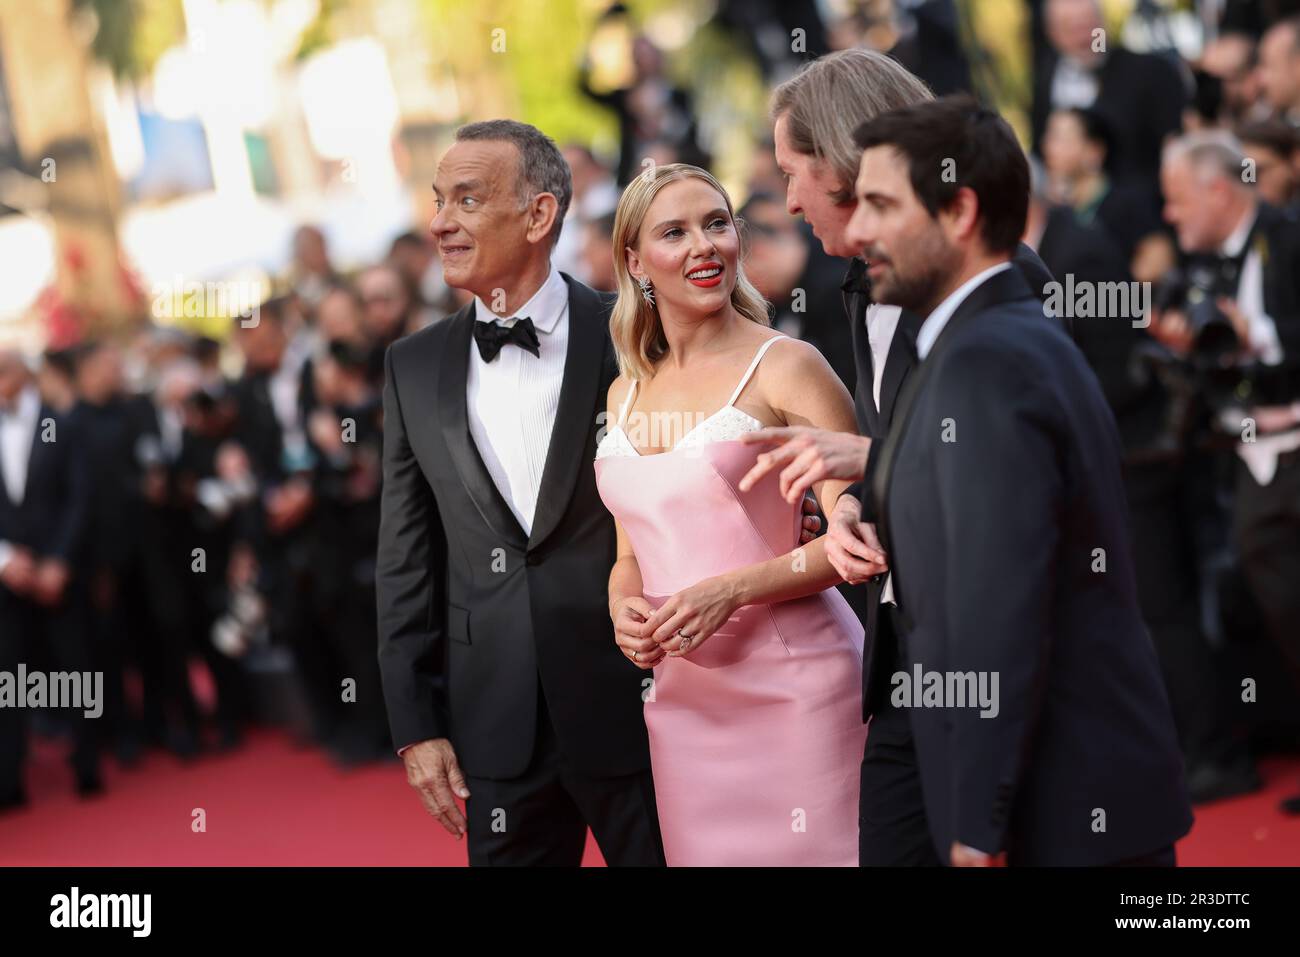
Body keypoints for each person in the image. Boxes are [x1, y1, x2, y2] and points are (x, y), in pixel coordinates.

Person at [850, 95, 1192, 865]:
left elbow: (995, 608)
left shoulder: (986, 362)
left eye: (879, 203)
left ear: (960, 210)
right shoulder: (997, 337)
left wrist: (979, 822)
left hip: (1055, 812)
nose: (859, 229)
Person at [760, 47, 1053, 865]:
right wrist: (855, 502)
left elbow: (1011, 476)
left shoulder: (1004, 284)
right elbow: (893, 457)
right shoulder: (859, 292)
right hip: (898, 654)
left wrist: (871, 455)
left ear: (845, 160)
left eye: (793, 170)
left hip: (992, 664)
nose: (786, 198)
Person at [375, 119, 667, 866]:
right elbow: (406, 557)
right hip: (494, 722)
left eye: (467, 200)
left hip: (637, 693)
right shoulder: (412, 365)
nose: (440, 222)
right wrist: (416, 722)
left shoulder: (633, 334)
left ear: (539, 215)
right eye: (438, 200)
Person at [594, 163, 866, 866]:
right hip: (683, 703)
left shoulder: (787, 365)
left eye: (716, 224)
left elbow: (856, 543)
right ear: (634, 260)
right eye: (675, 232)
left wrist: (734, 588)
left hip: (797, 688)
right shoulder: (623, 393)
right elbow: (631, 553)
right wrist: (623, 604)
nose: (703, 246)